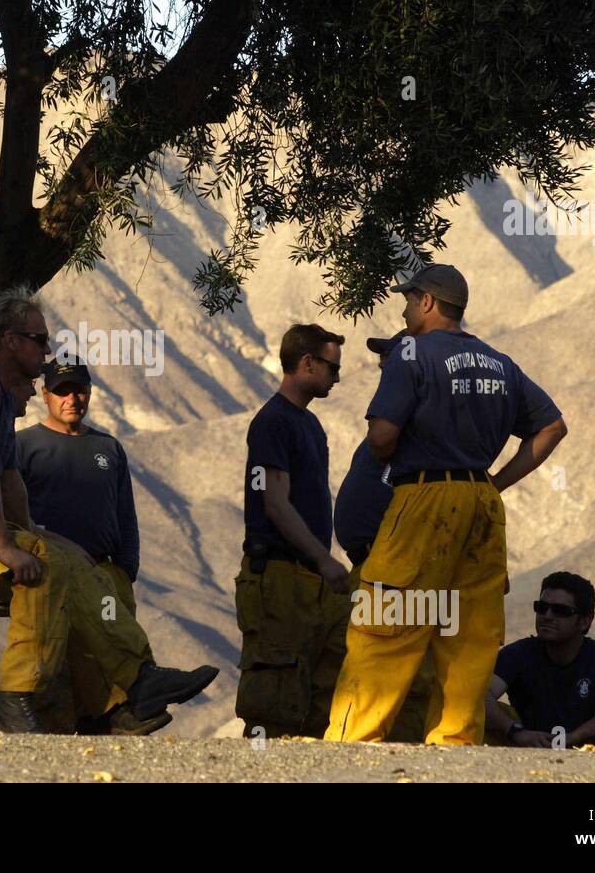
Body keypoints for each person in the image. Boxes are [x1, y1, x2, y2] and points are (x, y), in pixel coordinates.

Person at [0, 287, 217, 733]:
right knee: (42, 562)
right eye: (39, 339)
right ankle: (18, 696)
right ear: (9, 341)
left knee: (66, 556)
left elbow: (8, 479)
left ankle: (138, 679)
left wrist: (36, 532)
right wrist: (8, 547)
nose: (47, 349)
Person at [325, 263, 568, 745]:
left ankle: (355, 744)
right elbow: (552, 428)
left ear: (428, 303)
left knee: (387, 623)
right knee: (470, 633)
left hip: (425, 497)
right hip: (481, 501)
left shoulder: (411, 351)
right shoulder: (499, 361)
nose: (404, 307)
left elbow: (381, 437)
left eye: (409, 300)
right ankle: (454, 747)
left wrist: (392, 444)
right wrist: (494, 482)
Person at [17, 361, 166, 735]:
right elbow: (11, 512)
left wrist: (126, 567)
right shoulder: (23, 445)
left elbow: (124, 511)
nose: (72, 398)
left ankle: (111, 731)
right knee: (57, 666)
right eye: (63, 390)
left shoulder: (108, 447)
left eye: (79, 389)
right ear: (46, 395)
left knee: (107, 659)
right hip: (50, 575)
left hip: (105, 574)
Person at [235, 324, 351, 739]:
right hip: (280, 574)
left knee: (322, 700)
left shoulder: (310, 425)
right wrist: (322, 557)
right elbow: (274, 501)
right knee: (274, 700)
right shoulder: (273, 422)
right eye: (332, 368)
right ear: (307, 363)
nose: (337, 378)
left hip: (312, 579)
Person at [329, 331, 435, 742]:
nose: (382, 364)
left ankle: (393, 754)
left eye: (391, 358)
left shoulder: (418, 423)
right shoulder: (391, 420)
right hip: (371, 566)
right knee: (364, 666)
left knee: (390, 673)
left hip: (396, 570)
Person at [485, 571, 595, 750]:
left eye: (560, 611)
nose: (547, 616)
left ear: (584, 621)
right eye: (541, 607)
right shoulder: (519, 653)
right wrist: (515, 731)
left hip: (588, 751)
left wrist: (577, 736)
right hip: (527, 746)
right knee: (480, 718)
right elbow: (478, 696)